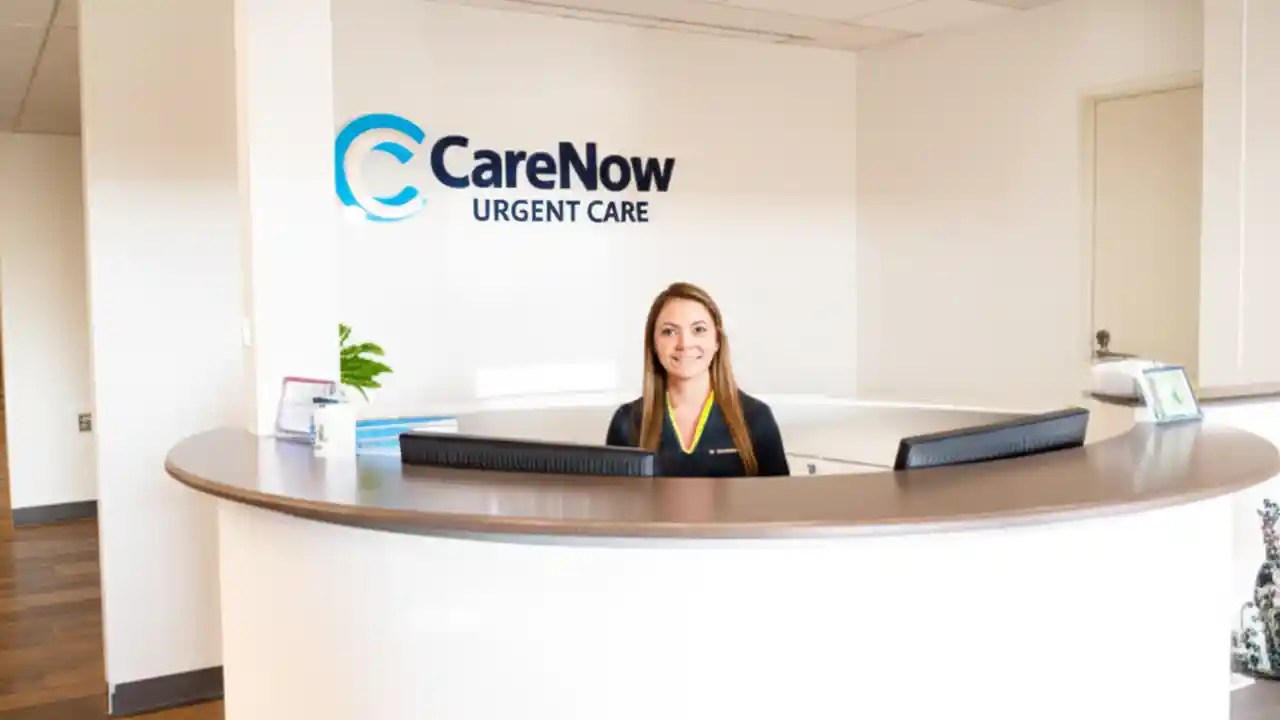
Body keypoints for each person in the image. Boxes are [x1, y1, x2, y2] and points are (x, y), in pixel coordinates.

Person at [605, 282, 791, 477]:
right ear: (653, 343)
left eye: (699, 330)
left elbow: (780, 504)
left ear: (717, 340)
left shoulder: (755, 418)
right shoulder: (627, 422)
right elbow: (615, 504)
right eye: (669, 331)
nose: (684, 344)